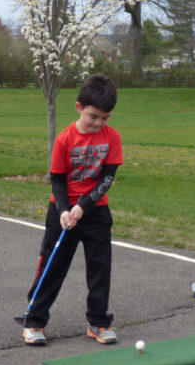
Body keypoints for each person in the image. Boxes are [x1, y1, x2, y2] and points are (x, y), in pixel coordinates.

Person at [20, 74, 122, 346]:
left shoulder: (112, 138)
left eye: (105, 117)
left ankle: (98, 322)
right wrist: (66, 210)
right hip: (62, 213)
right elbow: (57, 179)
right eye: (93, 117)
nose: (98, 123)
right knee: (53, 266)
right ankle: (34, 320)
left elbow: (107, 178)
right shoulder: (64, 139)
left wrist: (84, 206)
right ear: (79, 107)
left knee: (100, 268)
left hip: (96, 212)